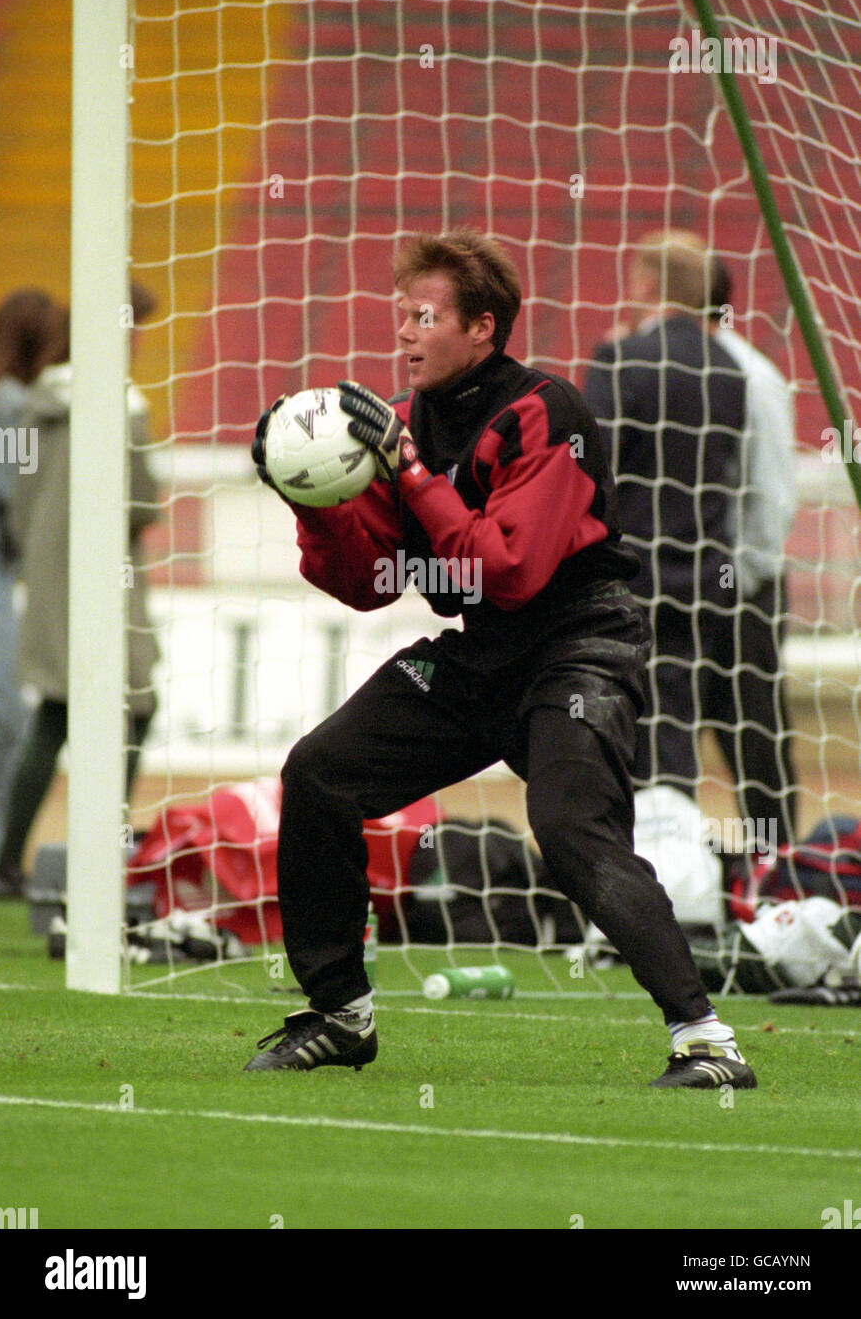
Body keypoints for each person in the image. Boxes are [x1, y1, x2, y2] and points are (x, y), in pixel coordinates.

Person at [247, 227, 756, 1089]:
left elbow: (509, 571)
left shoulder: (544, 412)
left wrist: (409, 474)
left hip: (580, 644)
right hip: (482, 654)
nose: (402, 333)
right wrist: (310, 499)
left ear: (482, 328)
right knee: (321, 772)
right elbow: (369, 581)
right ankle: (339, 1013)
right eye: (400, 315)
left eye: (423, 315)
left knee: (568, 826)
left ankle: (706, 1039)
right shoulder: (400, 424)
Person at [0, 286, 160, 898]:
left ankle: (8, 860)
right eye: (135, 328)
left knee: (55, 713)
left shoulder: (37, 403)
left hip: (46, 585)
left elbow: (18, 498)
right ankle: (101, 850)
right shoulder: (124, 403)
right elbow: (141, 502)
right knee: (137, 705)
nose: (139, 340)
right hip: (107, 587)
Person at [583, 230, 747, 807]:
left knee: (611, 724)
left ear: (648, 283)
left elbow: (591, 466)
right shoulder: (729, 365)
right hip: (702, 574)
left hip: (629, 573)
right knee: (677, 723)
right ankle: (676, 859)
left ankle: (613, 867)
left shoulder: (621, 356)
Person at [703, 258, 798, 849]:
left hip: (742, 591)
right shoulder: (659, 363)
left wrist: (739, 581)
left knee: (753, 738)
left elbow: (769, 496)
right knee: (661, 731)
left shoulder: (751, 377)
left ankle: (778, 864)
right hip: (683, 583)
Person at [0, 291, 60, 860]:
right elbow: (13, 487)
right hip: (2, 573)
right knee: (11, 716)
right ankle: (1, 849)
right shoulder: (15, 404)